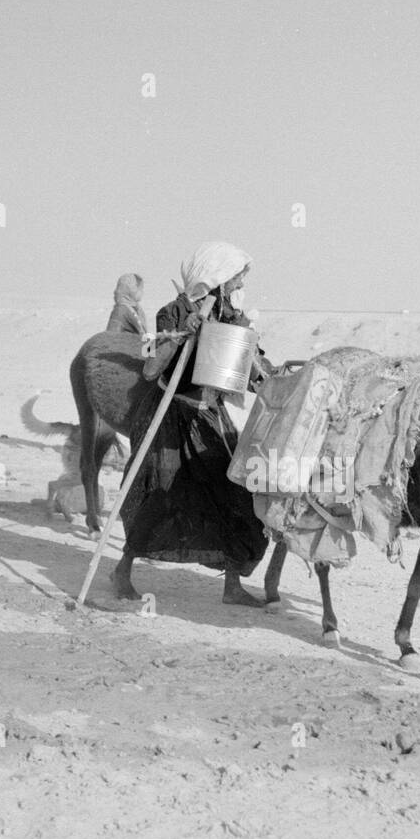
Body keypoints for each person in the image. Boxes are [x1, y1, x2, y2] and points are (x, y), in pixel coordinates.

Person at [114, 242, 270, 607]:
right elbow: (152, 369)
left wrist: (265, 372)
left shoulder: (231, 315)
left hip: (210, 413)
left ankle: (232, 586)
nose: (241, 280)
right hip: (173, 414)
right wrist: (182, 334)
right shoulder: (172, 312)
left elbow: (244, 364)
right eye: (236, 274)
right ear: (215, 275)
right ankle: (122, 569)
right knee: (161, 495)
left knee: (237, 494)